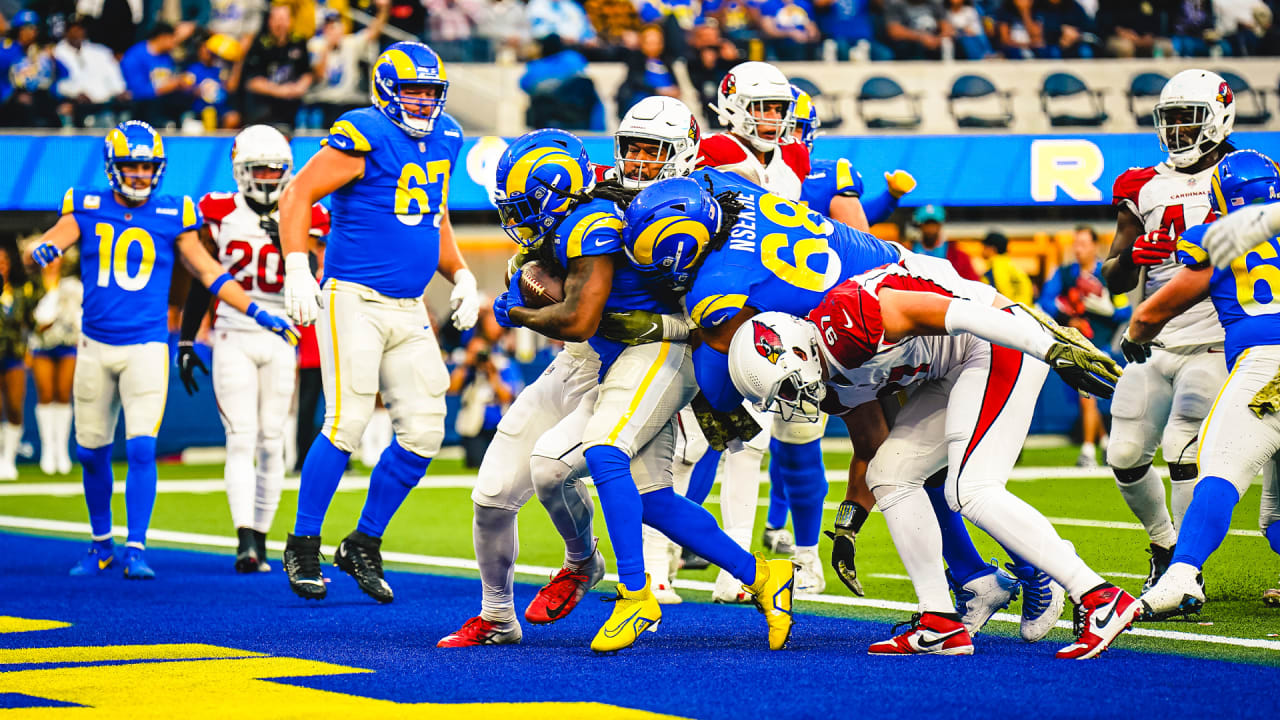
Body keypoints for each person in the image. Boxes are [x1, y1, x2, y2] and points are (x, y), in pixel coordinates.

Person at [440, 125, 794, 653]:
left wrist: (516, 307)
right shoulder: (600, 195)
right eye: (633, 149)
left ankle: (615, 583)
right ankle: (761, 575)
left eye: (654, 152)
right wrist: (531, 271)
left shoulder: (639, 212)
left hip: (646, 358)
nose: (641, 161)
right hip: (591, 362)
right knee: (507, 494)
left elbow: (585, 315)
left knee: (555, 465)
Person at [724, 255, 1134, 658]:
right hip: (953, 369)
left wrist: (1049, 349)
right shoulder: (828, 383)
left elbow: (965, 314)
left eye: (787, 388)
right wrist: (849, 526)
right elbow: (870, 449)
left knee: (970, 490)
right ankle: (939, 622)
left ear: (796, 352)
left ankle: (1098, 595)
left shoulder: (849, 319)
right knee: (889, 474)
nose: (792, 400)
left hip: (994, 341)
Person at [29, 120, 297, 578]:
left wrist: (257, 311)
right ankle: (101, 543)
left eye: (147, 166)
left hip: (147, 345)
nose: (138, 175)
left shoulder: (178, 211)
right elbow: (61, 231)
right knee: (91, 452)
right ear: (114, 167)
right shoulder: (87, 202)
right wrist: (47, 248)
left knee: (140, 449)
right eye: (131, 166)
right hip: (94, 344)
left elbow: (209, 272)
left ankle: (135, 547)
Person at [278, 42, 480, 605]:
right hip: (354, 299)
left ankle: (363, 542)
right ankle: (302, 543)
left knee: (423, 432)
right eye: (413, 89)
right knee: (345, 423)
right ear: (387, 89)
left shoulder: (445, 137)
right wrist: (297, 264)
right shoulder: (362, 132)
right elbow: (296, 196)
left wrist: (460, 274)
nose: (423, 101)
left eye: (431, 91)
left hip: (409, 305)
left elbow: (429, 212)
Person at [1099, 69, 1233, 609]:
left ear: (1219, 117)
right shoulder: (1139, 183)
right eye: (1170, 118)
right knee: (1125, 455)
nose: (1178, 129)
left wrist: (1201, 253)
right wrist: (1133, 256)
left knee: (1183, 448)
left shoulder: (1244, 175)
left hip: (1216, 338)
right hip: (1151, 341)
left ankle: (1188, 574)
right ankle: (1165, 544)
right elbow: (1111, 278)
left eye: (1189, 117)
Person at [1127, 150, 1280, 616]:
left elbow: (1154, 311)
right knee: (1274, 513)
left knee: (1220, 470)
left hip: (1265, 367)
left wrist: (1136, 333)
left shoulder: (1219, 237)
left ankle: (1181, 577)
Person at [175, 125, 331, 574]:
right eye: (257, 169)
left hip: (282, 333)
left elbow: (317, 272)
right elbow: (204, 278)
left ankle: (261, 534)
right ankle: (247, 540)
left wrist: (292, 237)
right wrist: (188, 337)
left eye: (273, 170)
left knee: (272, 438)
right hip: (232, 330)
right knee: (241, 436)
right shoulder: (218, 211)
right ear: (240, 171)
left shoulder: (306, 212)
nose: (265, 178)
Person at [1040, 226, 1129, 467]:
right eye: (1075, 243)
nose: (1078, 249)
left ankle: (1088, 451)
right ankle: (1104, 443)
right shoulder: (1066, 273)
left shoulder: (1107, 273)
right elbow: (1046, 301)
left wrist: (1110, 310)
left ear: (1094, 246)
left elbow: (1125, 309)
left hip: (1101, 343)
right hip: (1075, 341)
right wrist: (1066, 313)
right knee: (1086, 395)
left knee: (1088, 394)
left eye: (1083, 243)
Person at [792, 85, 917, 230]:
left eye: (795, 126)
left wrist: (890, 197)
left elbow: (857, 231)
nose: (785, 132)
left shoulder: (827, 176)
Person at [701, 61, 807, 201]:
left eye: (779, 109)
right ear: (733, 107)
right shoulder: (708, 150)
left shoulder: (794, 152)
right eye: (763, 109)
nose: (774, 118)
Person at [29, 246, 80, 476]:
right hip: (42, 346)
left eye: (56, 259)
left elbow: (79, 314)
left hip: (67, 344)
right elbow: (33, 319)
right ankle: (48, 449)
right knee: (46, 395)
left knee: (63, 394)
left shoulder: (71, 285)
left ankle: (62, 449)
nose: (52, 263)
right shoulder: (33, 286)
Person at [303, 0, 388, 130]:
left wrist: (383, 9)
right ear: (324, 29)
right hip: (324, 100)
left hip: (348, 101)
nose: (334, 30)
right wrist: (327, 47)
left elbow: (373, 32)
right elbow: (318, 76)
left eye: (337, 26)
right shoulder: (315, 44)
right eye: (330, 27)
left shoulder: (350, 43)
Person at [448, 338, 519, 468]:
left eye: (480, 353)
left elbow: (506, 397)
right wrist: (465, 366)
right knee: (477, 464)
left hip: (500, 426)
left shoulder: (502, 365)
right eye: (474, 352)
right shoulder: (467, 370)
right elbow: (452, 389)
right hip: (474, 428)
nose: (478, 357)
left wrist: (492, 373)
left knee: (500, 465)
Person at [242, 4, 313, 128]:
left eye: (283, 19)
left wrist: (299, 87)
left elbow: (307, 73)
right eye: (277, 19)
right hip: (263, 107)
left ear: (290, 21)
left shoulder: (299, 42)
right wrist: (279, 91)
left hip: (292, 105)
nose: (280, 24)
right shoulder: (259, 43)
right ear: (270, 21)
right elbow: (252, 82)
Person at [0, 242, 35, 481]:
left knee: (14, 406)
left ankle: (8, 459)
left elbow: (28, 324)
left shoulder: (21, 293)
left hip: (13, 357)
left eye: (3, 262)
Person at [53, 14, 127, 127]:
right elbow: (59, 83)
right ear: (66, 32)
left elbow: (115, 78)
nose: (77, 32)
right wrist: (75, 93)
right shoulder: (56, 53)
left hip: (105, 104)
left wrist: (119, 91)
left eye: (80, 29)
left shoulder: (100, 51)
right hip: (76, 104)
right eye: (73, 29)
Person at [120, 23, 193, 129]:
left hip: (164, 104)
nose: (175, 42)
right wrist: (164, 88)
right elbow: (135, 91)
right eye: (172, 38)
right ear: (162, 37)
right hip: (140, 108)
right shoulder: (135, 56)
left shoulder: (166, 57)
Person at [615, 24, 680, 119]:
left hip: (666, 104)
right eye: (649, 42)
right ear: (641, 42)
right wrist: (659, 91)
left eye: (657, 42)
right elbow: (636, 81)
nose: (654, 46)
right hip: (644, 102)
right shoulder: (635, 58)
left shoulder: (667, 61)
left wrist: (675, 91)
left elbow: (675, 83)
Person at [911, 204, 981, 282]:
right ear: (920, 226)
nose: (931, 228)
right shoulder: (908, 252)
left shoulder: (958, 257)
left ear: (940, 225)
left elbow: (973, 283)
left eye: (934, 224)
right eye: (927, 224)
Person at [187, 32, 243, 130]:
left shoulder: (221, 68)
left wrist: (237, 62)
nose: (207, 52)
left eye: (209, 49)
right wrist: (198, 90)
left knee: (233, 118)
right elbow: (187, 87)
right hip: (199, 110)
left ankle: (225, 145)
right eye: (204, 48)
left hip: (220, 110)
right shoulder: (194, 68)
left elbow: (231, 87)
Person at [884, 0, 954, 60]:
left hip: (935, 43)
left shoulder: (934, 4)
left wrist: (939, 39)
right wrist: (920, 38)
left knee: (950, 43)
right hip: (911, 45)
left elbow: (947, 27)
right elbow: (894, 31)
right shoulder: (897, 5)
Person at [980, 231, 1032, 305]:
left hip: (1011, 310)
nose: (982, 251)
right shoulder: (1010, 265)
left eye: (984, 247)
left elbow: (1003, 294)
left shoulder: (996, 268)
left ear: (992, 249)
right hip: (1023, 309)